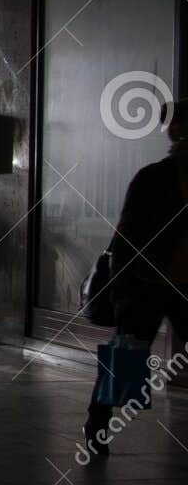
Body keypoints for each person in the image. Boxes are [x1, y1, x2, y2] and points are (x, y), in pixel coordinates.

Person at [83, 107, 188, 456]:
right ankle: (97, 421)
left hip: (157, 282)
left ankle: (97, 423)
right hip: (150, 282)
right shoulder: (155, 178)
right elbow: (127, 237)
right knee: (127, 353)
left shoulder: (152, 177)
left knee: (126, 352)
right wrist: (121, 286)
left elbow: (126, 234)